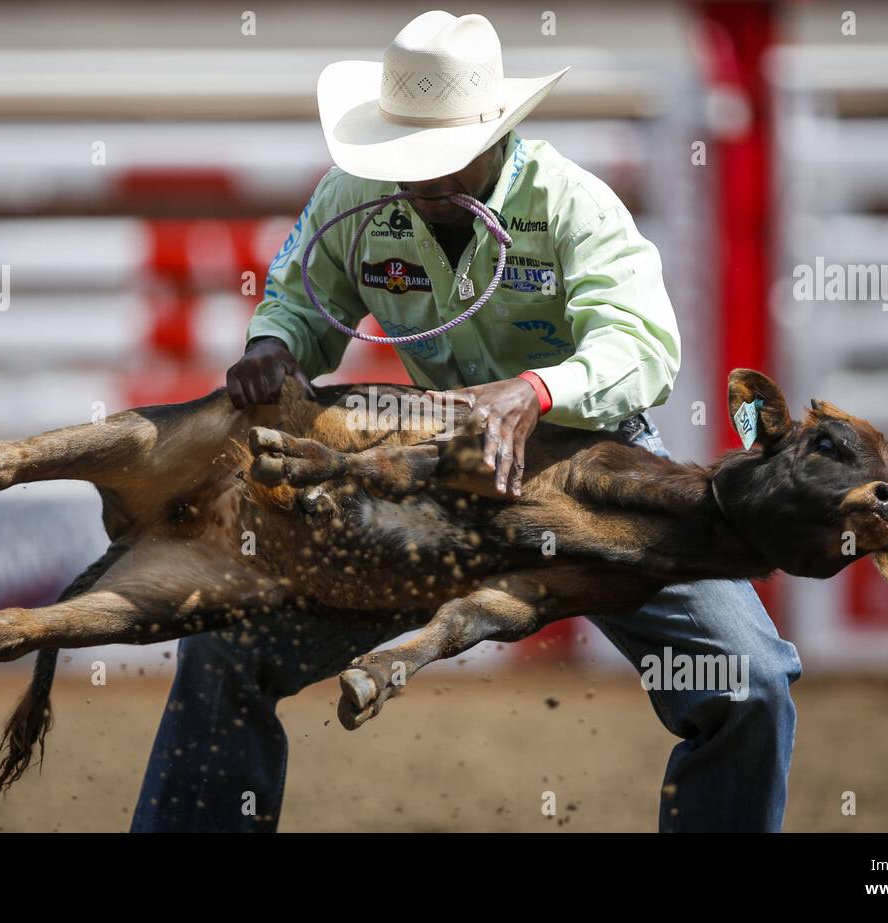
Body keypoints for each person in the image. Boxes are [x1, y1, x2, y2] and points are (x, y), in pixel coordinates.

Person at [131, 10, 801, 832]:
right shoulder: (356, 199)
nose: (418, 177)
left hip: (592, 470)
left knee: (751, 678)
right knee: (226, 643)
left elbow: (643, 344)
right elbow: (300, 303)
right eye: (405, 156)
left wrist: (538, 390)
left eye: (437, 157)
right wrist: (274, 345)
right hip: (427, 467)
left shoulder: (569, 203)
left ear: (496, 134)